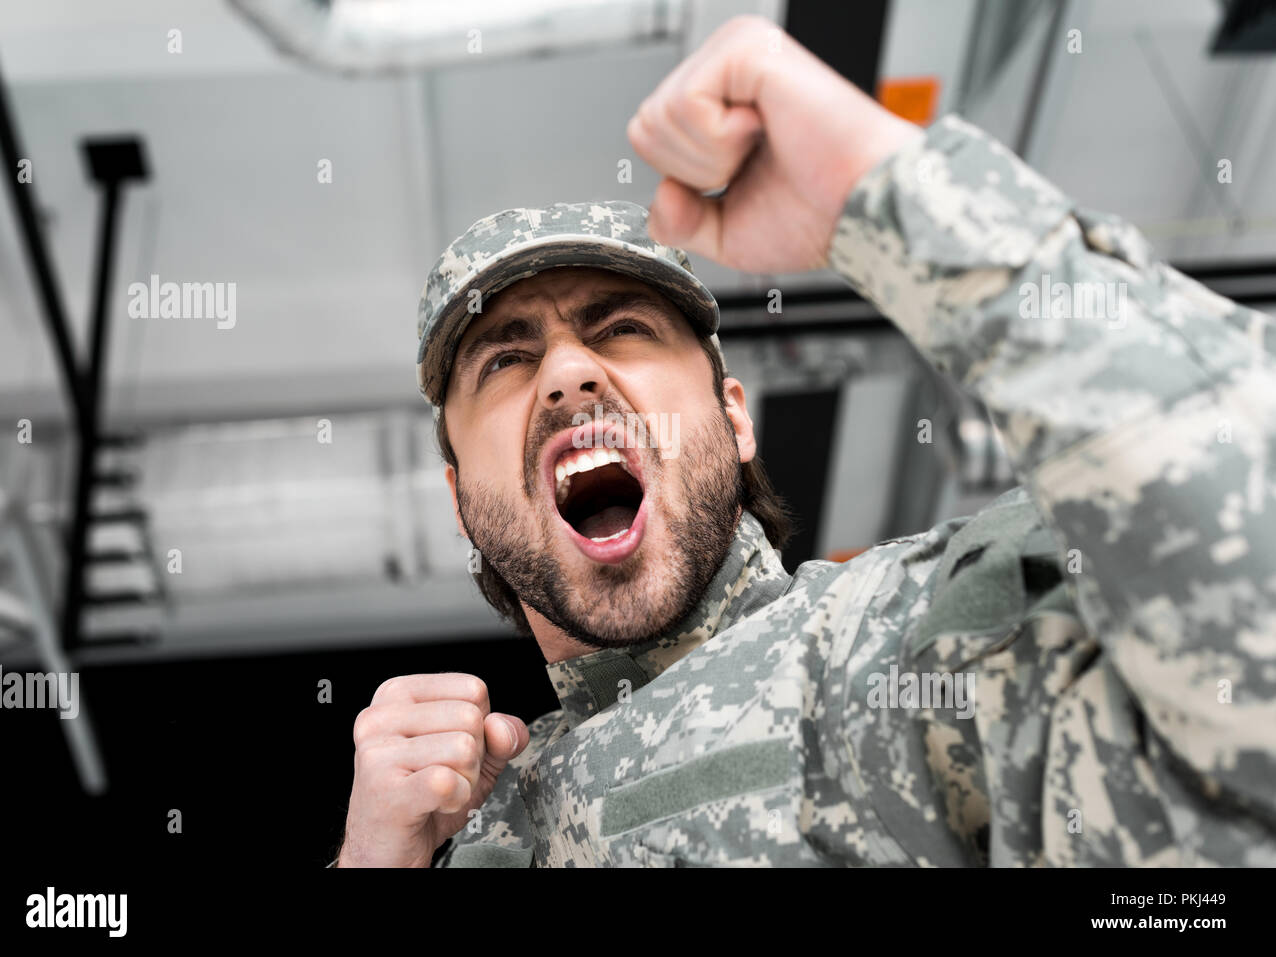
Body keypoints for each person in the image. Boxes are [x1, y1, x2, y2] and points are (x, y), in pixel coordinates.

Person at [333, 15, 1276, 867]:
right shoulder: (465, 833)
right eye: (505, 359)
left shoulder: (894, 645)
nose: (570, 375)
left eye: (621, 327)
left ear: (735, 417)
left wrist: (894, 196)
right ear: (460, 500)